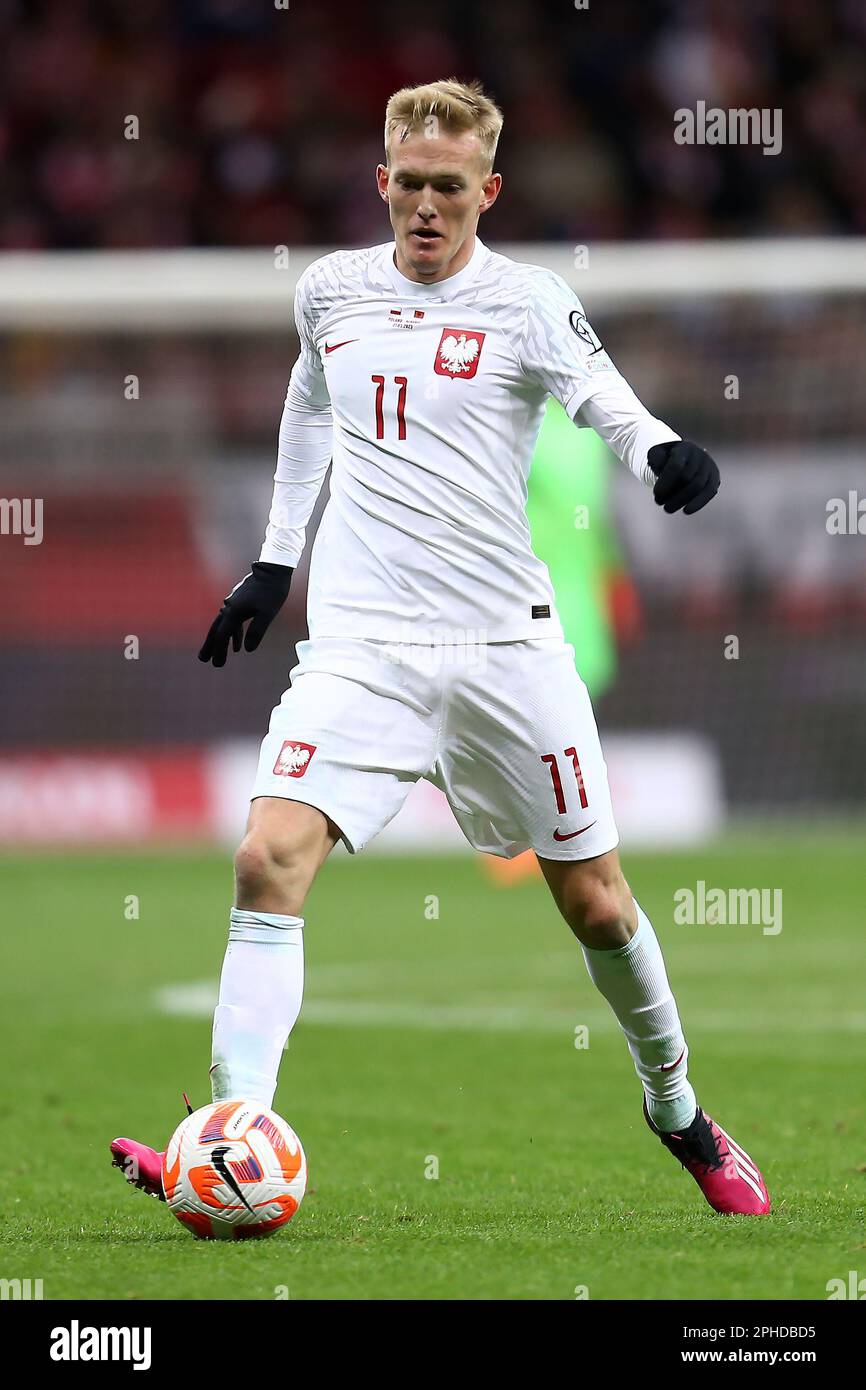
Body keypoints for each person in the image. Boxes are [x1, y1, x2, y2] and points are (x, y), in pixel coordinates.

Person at [112, 78, 768, 1216]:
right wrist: (277, 559)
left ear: (487, 192)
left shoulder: (526, 301)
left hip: (503, 648)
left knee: (598, 905)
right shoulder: (329, 293)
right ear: (382, 181)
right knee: (267, 858)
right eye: (407, 185)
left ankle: (677, 1109)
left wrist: (659, 448)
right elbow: (307, 408)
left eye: (448, 190)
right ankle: (223, 1136)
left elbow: (597, 393)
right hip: (361, 645)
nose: (425, 208)